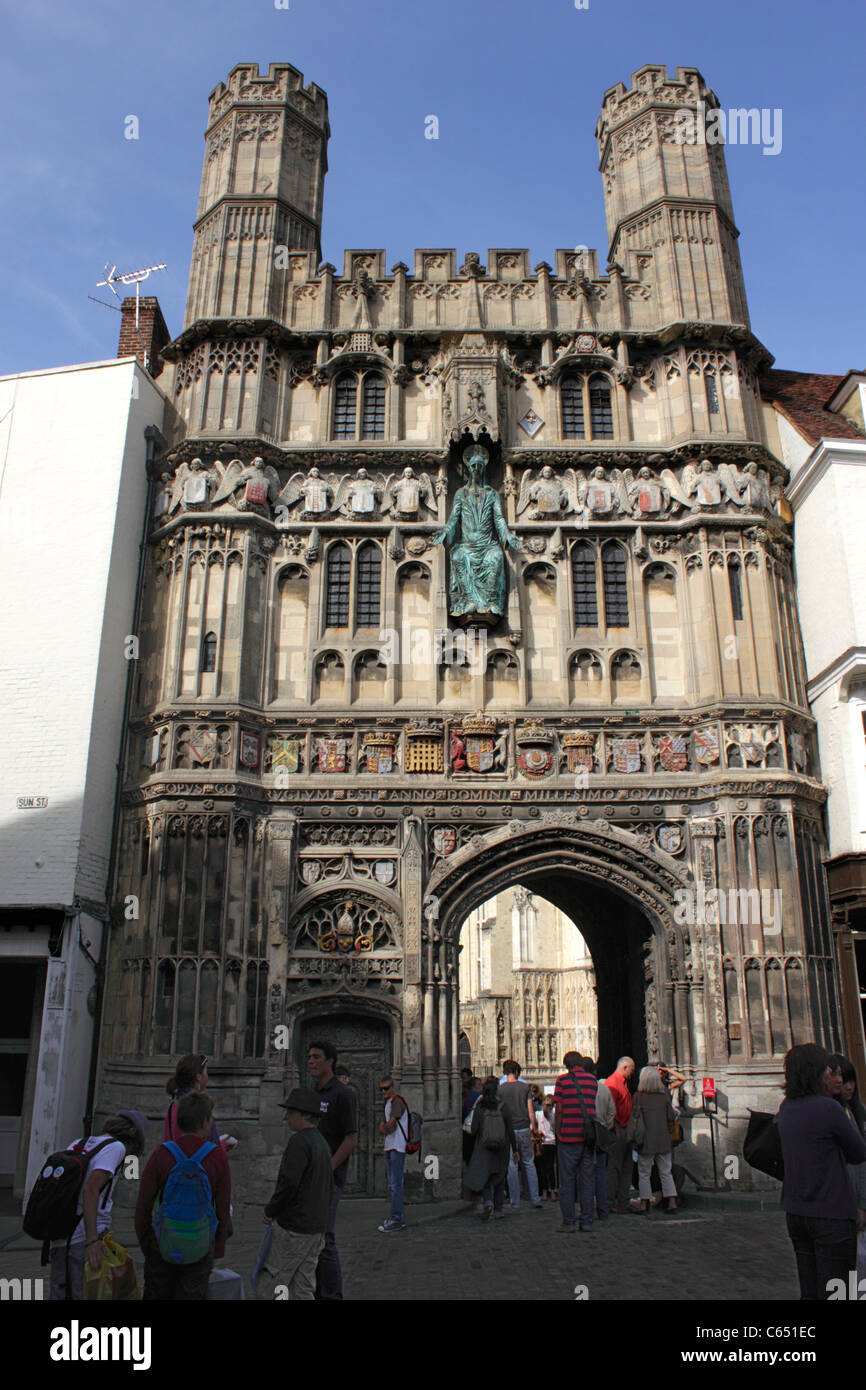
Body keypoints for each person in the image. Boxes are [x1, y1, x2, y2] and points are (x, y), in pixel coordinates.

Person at [777, 1042, 866, 1300]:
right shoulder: (829, 1108)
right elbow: (859, 1152)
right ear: (816, 1073)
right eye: (828, 1070)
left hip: (796, 1211)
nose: (831, 1075)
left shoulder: (786, 1108)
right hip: (831, 1212)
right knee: (836, 1291)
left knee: (811, 1288)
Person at [136, 1093, 231, 1300]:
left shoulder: (162, 1154)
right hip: (200, 1246)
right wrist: (217, 1246)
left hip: (162, 1244)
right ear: (206, 1122)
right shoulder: (216, 1156)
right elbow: (222, 1208)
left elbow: (143, 1204)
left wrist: (148, 1243)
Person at [48, 1109, 148, 1301]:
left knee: (60, 1293)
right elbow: (91, 1189)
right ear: (133, 1133)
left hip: (61, 1234)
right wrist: (92, 1240)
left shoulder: (80, 1143)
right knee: (85, 1293)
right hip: (83, 1237)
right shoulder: (115, 1147)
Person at [258, 1088, 333, 1301]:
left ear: (306, 1115)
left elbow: (288, 1184)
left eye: (291, 1113)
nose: (286, 1118)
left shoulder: (299, 1142)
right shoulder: (321, 1142)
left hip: (296, 1227)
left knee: (277, 1283)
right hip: (315, 1227)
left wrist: (271, 1210)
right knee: (303, 1286)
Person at [308, 1039, 358, 1300]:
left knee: (325, 1238)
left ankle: (332, 1295)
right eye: (309, 1057)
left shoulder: (344, 1094)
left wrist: (329, 1167)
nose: (311, 1062)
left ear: (330, 1062)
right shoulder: (312, 1093)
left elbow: (351, 1138)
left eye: (317, 1057)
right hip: (309, 1178)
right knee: (313, 1237)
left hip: (329, 1178)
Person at [553, 1051, 598, 1233]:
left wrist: (558, 1132)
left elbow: (560, 1110)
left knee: (567, 1182)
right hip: (588, 1137)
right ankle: (587, 1221)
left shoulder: (562, 1081)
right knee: (587, 1181)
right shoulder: (592, 1081)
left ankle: (569, 1222)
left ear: (566, 1064)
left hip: (568, 1137)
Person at [465, 1078, 518, 1219]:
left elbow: (474, 1129)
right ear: (496, 1091)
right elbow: (510, 1130)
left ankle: (488, 1201)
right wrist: (515, 1149)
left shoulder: (480, 1108)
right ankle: (498, 1210)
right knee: (499, 1176)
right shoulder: (503, 1107)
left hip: (484, 1146)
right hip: (502, 1147)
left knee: (485, 1175)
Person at [629, 1066, 679, 1214]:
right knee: (666, 1172)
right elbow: (671, 1117)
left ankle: (645, 1203)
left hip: (646, 1140)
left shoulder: (638, 1096)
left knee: (644, 1172)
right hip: (663, 1139)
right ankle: (671, 1201)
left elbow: (635, 1117)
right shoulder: (663, 1096)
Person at [164, 1053, 236, 1152]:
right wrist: (222, 1146)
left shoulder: (173, 1106)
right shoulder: (199, 1108)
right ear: (198, 1077)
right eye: (206, 1072)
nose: (207, 1077)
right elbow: (207, 1149)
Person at [499, 1060, 543, 1211]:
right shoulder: (525, 1087)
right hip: (524, 1128)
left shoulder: (501, 1089)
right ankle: (535, 1198)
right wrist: (535, 1128)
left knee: (511, 1165)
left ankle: (515, 1201)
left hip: (508, 1130)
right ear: (517, 1072)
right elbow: (531, 1110)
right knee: (529, 1163)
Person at [604, 1056, 635, 1213]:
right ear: (624, 1067)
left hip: (626, 1130)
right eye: (631, 1070)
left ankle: (623, 1201)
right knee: (615, 1168)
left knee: (626, 1167)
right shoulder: (613, 1083)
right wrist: (616, 1128)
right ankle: (610, 1202)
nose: (632, 1074)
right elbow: (611, 1108)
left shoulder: (622, 1083)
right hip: (619, 1131)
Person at [378, 1076, 408, 1233]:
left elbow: (390, 1126)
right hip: (389, 1146)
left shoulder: (397, 1101)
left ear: (392, 1087)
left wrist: (386, 1127)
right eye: (380, 1089)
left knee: (396, 1184)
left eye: (386, 1088)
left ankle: (397, 1218)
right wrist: (385, 1127)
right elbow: (381, 1127)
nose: (383, 1091)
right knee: (393, 1183)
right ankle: (396, 1217)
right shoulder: (387, 1103)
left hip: (397, 1147)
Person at [582, 1056, 610, 1220]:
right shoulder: (604, 1088)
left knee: (585, 1173)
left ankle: (587, 1212)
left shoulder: (577, 1087)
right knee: (600, 1173)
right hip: (600, 1131)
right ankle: (603, 1210)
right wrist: (605, 1124)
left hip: (584, 1132)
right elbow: (611, 1111)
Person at [534, 1095, 557, 1201]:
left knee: (542, 1169)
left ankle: (544, 1191)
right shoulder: (554, 1114)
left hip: (541, 1143)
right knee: (551, 1168)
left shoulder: (538, 1114)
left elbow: (532, 1126)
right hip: (552, 1143)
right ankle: (552, 1190)